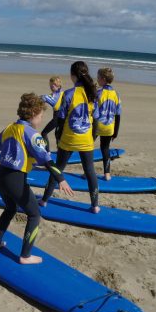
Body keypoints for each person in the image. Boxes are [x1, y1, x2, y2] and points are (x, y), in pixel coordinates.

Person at [0, 93, 74, 264]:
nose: (41, 119)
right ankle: (25, 256)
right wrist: (61, 179)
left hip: (1, 177)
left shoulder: (10, 128)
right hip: (15, 180)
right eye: (41, 116)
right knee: (35, 214)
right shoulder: (32, 134)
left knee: (10, 209)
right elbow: (47, 161)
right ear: (33, 114)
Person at [40, 61, 101, 213]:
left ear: (73, 76)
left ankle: (44, 200)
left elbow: (61, 119)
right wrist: (92, 138)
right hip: (86, 139)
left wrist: (59, 136)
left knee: (58, 169)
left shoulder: (68, 94)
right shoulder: (93, 94)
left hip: (68, 138)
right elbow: (96, 121)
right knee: (90, 171)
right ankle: (95, 205)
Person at [93, 67, 122, 180]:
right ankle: (107, 174)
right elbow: (118, 115)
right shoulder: (116, 94)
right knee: (105, 149)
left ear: (103, 79)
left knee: (89, 148)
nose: (97, 79)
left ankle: (87, 172)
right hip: (110, 126)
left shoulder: (99, 93)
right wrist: (115, 132)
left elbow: (93, 111)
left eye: (98, 78)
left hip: (97, 125)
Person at [40, 75, 63, 147]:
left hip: (58, 118)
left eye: (52, 86)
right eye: (50, 86)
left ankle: (47, 151)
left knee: (44, 133)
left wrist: (44, 97)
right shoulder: (60, 93)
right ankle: (59, 150)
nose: (51, 88)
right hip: (60, 117)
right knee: (58, 134)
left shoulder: (59, 94)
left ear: (58, 85)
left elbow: (53, 102)